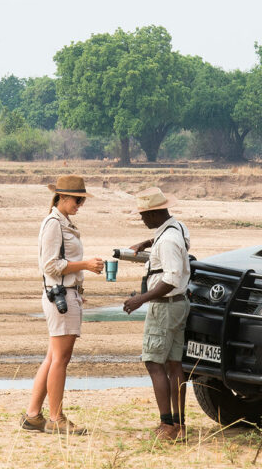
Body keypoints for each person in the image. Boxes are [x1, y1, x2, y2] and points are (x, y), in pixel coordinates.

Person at [22, 175, 104, 435]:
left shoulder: (62, 222)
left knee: (53, 357)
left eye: (81, 200)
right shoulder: (54, 224)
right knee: (61, 358)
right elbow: (50, 265)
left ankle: (33, 415)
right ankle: (55, 418)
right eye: (77, 200)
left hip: (66, 294)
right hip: (60, 296)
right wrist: (85, 266)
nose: (80, 204)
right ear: (63, 197)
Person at [122, 187, 191, 442]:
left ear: (154, 214)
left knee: (153, 362)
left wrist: (141, 298)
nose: (142, 220)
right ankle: (179, 424)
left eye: (144, 215)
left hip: (165, 306)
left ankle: (167, 424)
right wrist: (148, 242)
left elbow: (171, 278)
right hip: (178, 305)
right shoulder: (178, 229)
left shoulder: (169, 241)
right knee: (174, 364)